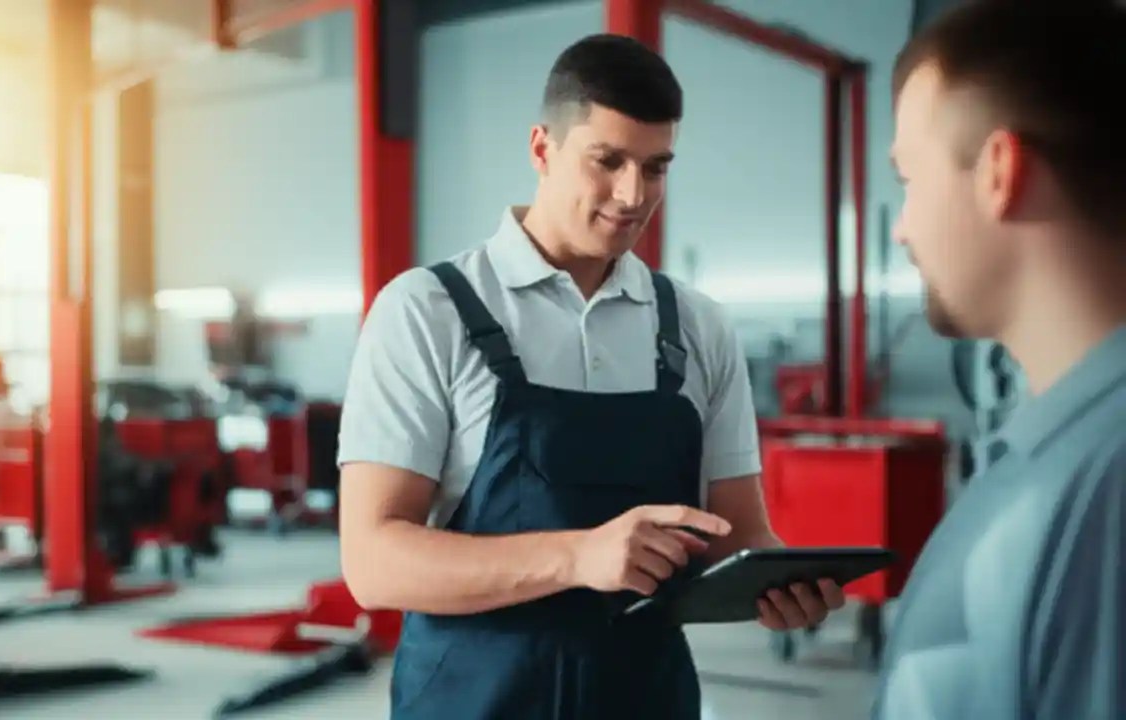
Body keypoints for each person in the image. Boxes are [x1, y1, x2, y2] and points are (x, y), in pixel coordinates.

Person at [336, 33, 844, 720]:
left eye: (656, 168)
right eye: (607, 161)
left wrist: (782, 584)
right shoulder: (426, 312)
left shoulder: (697, 327)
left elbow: (739, 534)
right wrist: (580, 557)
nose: (633, 195)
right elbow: (373, 564)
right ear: (542, 149)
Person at [877, 3, 1126, 719]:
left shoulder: (1101, 495)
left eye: (909, 181)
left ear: (998, 171)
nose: (902, 228)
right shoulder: (1056, 459)